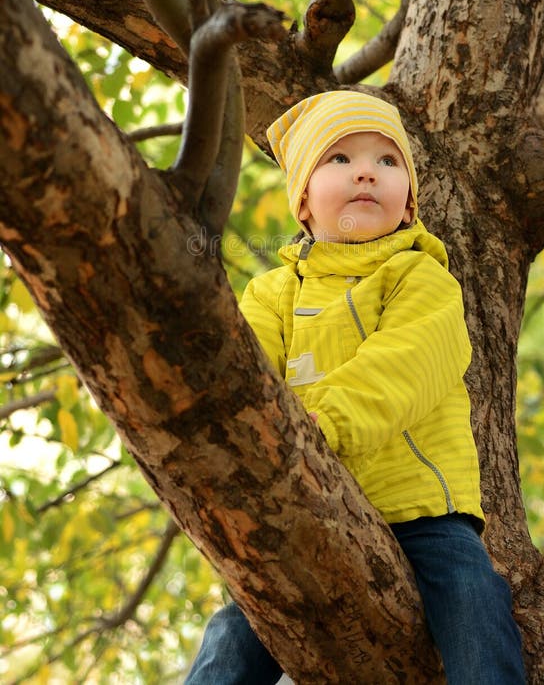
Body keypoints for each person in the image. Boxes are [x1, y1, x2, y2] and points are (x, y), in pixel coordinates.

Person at [185, 91, 526, 684]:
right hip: (301, 512)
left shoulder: (422, 277)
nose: (366, 170)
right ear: (304, 205)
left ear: (409, 204)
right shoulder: (272, 294)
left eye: (387, 162)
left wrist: (321, 425)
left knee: (477, 603)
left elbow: (406, 364)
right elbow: (246, 382)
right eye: (339, 159)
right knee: (236, 633)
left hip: (424, 512)